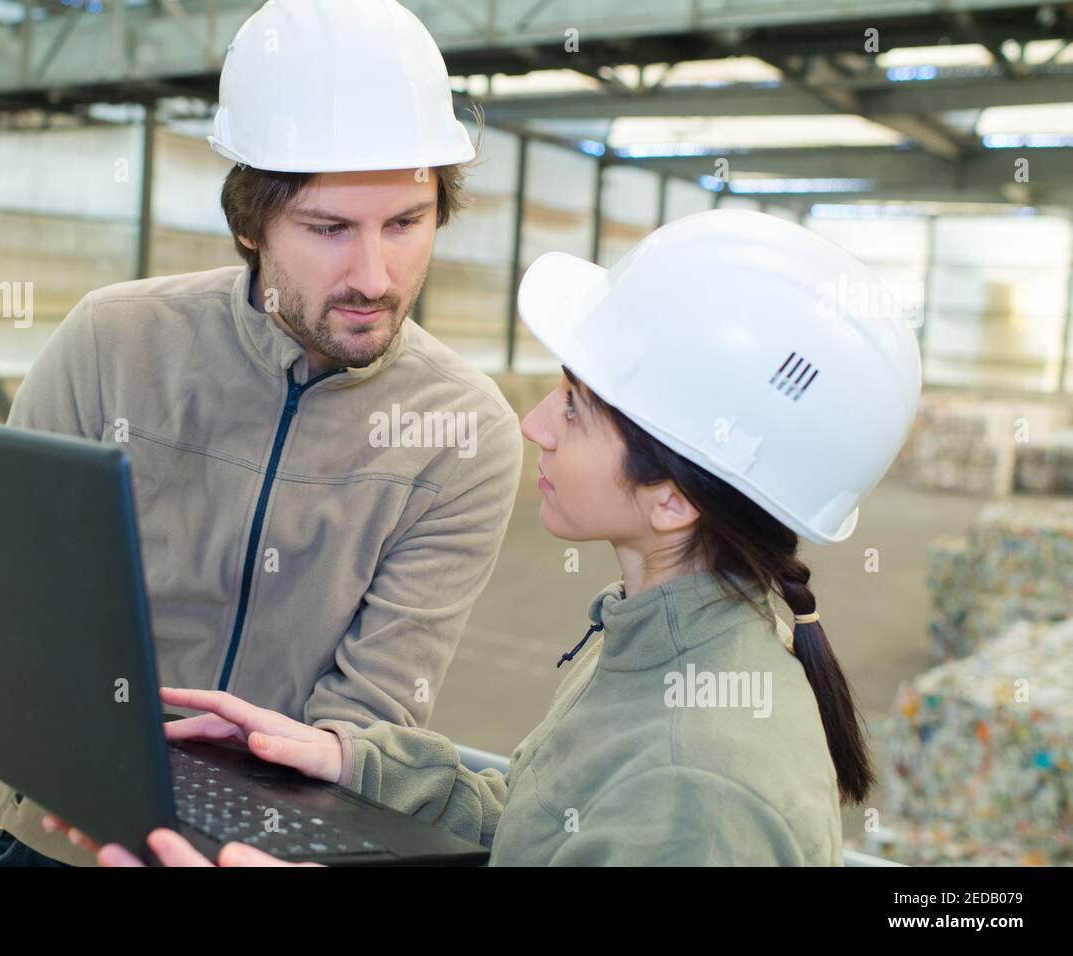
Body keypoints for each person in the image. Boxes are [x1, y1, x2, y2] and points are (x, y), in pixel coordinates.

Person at [0, 0, 522, 867]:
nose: (375, 276)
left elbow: (369, 720)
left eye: (406, 223)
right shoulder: (113, 341)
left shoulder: (463, 434)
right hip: (22, 835)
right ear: (249, 222)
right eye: (329, 229)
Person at [51, 209, 923, 866]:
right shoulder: (659, 646)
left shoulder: (697, 785)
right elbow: (535, 828)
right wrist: (351, 762)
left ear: (671, 498)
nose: (536, 424)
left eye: (575, 409)